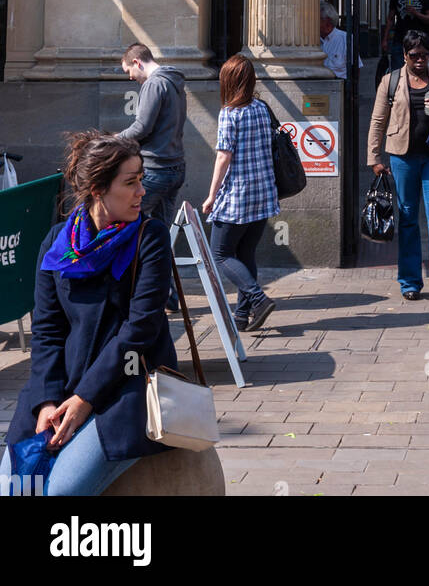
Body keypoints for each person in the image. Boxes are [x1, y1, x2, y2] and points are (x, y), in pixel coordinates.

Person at [2, 130, 177, 496]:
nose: (142, 192)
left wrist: (84, 400)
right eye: (130, 183)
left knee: (60, 492)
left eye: (141, 180)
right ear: (98, 189)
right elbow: (47, 332)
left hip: (125, 388)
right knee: (15, 487)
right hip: (58, 386)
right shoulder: (56, 244)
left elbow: (139, 330)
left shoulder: (151, 237)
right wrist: (47, 400)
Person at [367, 29, 429, 303]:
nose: (420, 60)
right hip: (402, 157)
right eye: (415, 55)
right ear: (404, 55)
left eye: (425, 55)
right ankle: (409, 281)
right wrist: (374, 157)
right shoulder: (391, 80)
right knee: (408, 219)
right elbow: (377, 121)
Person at [202, 54, 280, 334]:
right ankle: (242, 316)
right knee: (246, 253)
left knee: (220, 254)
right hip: (263, 193)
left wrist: (211, 196)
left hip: (237, 196)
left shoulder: (229, 114)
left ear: (228, 81)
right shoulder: (261, 108)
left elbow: (223, 157)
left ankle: (258, 299)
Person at [118, 43, 187, 309]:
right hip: (175, 167)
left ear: (137, 62)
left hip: (156, 171)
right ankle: (167, 295)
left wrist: (112, 140)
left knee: (120, 224)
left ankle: (128, 294)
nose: (130, 78)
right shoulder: (174, 82)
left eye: (128, 71)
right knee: (159, 234)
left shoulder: (154, 84)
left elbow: (141, 127)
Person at [382, 0, 429, 70]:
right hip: (400, 38)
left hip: (419, 41)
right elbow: (390, 19)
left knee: (417, 70)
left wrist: (416, 13)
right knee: (398, 70)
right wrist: (385, 39)